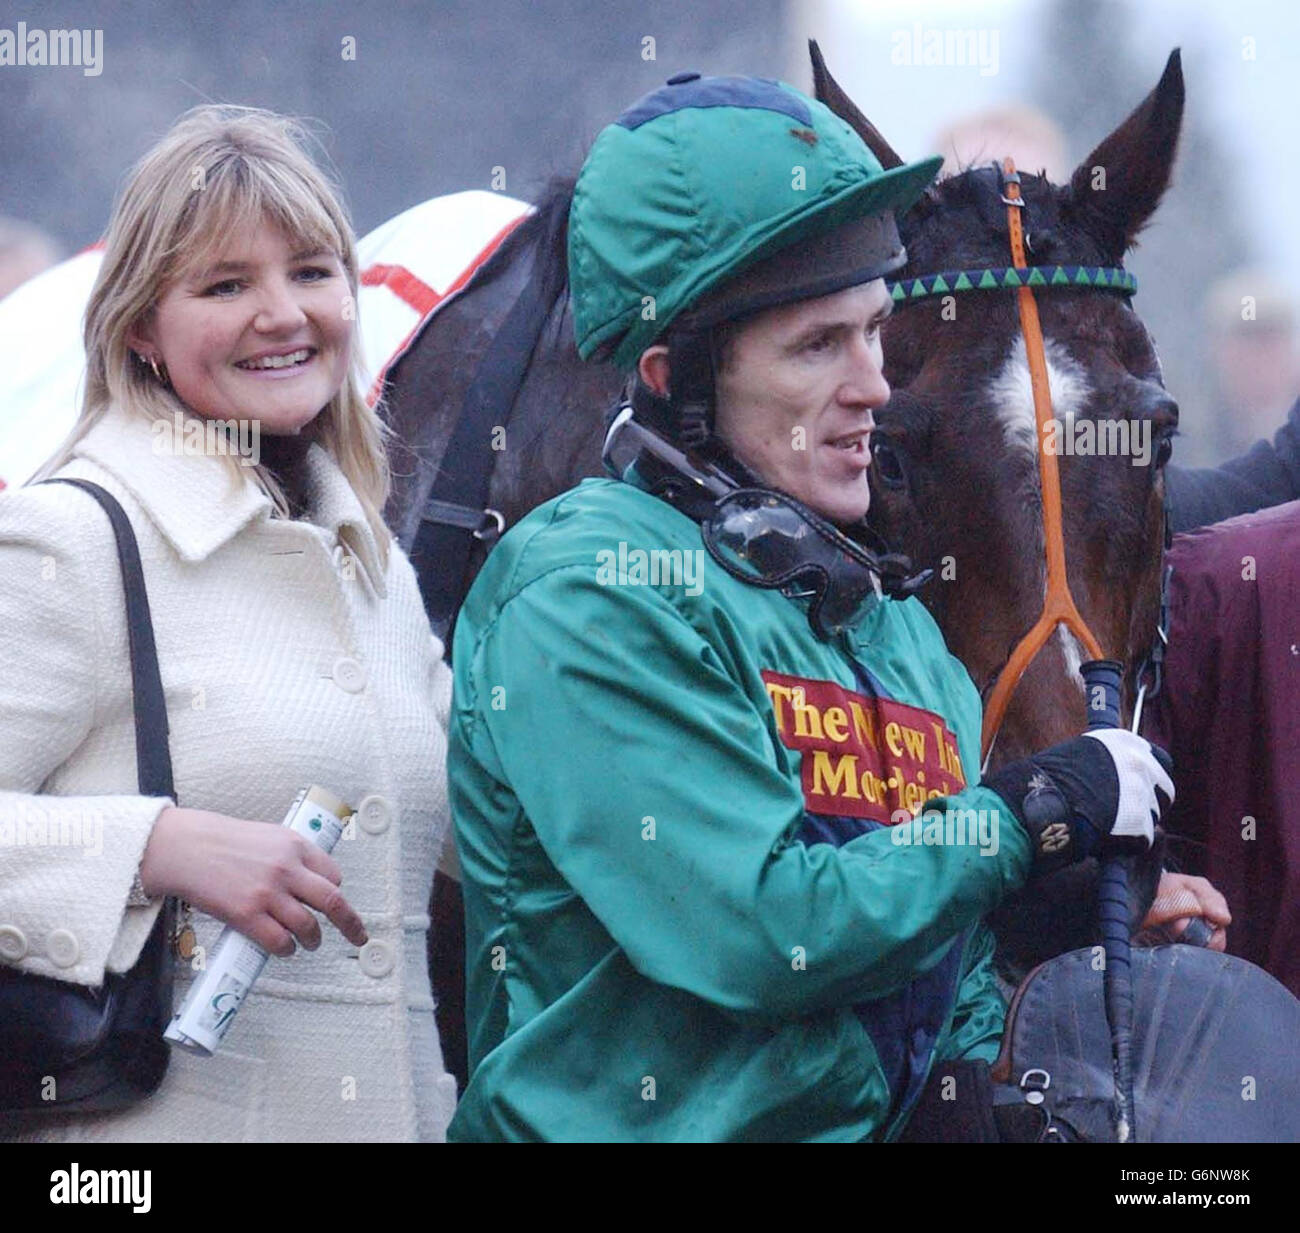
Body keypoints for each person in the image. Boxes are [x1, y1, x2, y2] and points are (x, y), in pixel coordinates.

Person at [445, 74, 1175, 1142]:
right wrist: (1024, 815)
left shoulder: (885, 619)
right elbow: (760, 928)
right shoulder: (588, 593)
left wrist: (992, 1071)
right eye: (814, 346)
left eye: (875, 335)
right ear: (672, 376)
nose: (874, 387)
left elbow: (942, 972)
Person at [0, 106, 458, 1141]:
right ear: (140, 333)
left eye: (310, 271)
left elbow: (503, 840)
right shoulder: (70, 540)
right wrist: (153, 846)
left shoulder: (371, 565)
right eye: (223, 285)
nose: (282, 313)